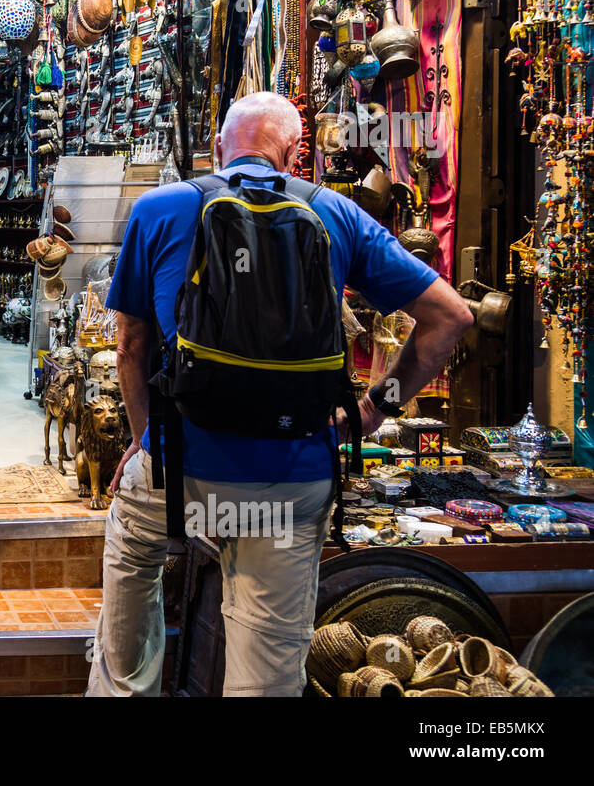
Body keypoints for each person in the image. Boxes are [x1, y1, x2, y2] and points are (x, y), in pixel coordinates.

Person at [87, 91, 473, 697]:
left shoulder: (160, 210)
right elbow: (451, 319)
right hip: (291, 484)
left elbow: (131, 348)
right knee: (266, 678)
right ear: (294, 156)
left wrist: (145, 443)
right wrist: (375, 410)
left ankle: (125, 685)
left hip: (181, 476)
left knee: (132, 563)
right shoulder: (338, 216)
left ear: (218, 150)